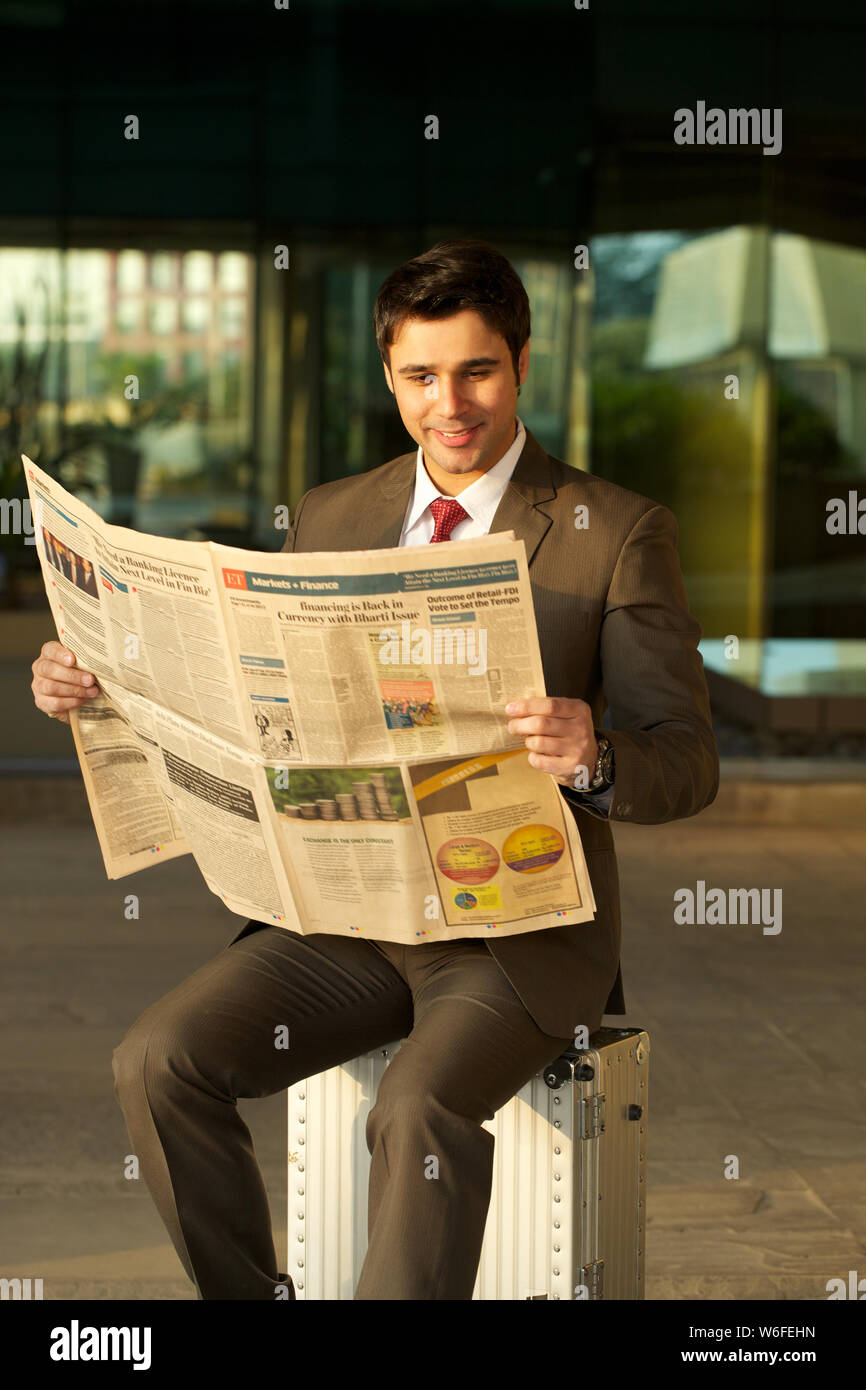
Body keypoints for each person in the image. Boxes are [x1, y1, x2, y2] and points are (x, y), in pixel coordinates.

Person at [29, 239, 719, 1300]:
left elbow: (685, 761)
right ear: (388, 374)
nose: (451, 404)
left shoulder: (613, 532)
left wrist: (595, 753)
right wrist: (98, 684)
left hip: (513, 933)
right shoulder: (328, 518)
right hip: (342, 917)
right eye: (420, 376)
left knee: (413, 1106)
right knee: (157, 1060)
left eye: (476, 370)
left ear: (521, 364)